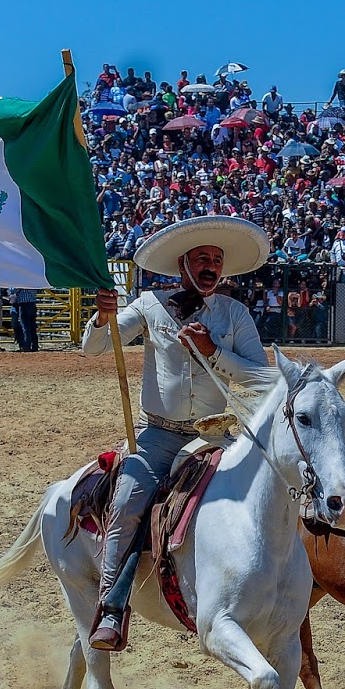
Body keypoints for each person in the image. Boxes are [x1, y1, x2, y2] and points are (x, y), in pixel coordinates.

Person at [80, 215, 272, 651]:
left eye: (217, 260)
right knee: (129, 502)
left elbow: (262, 378)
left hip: (215, 435)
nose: (211, 266)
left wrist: (214, 352)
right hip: (159, 436)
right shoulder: (150, 304)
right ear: (182, 264)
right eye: (202, 258)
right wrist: (102, 315)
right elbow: (92, 348)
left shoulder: (234, 313)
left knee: (266, 495)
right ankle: (112, 607)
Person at [9, 287, 38, 351]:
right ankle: (35, 345)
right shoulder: (33, 282)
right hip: (32, 303)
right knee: (32, 326)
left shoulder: (21, 282)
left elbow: (13, 290)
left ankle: (26, 345)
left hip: (24, 304)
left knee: (25, 326)